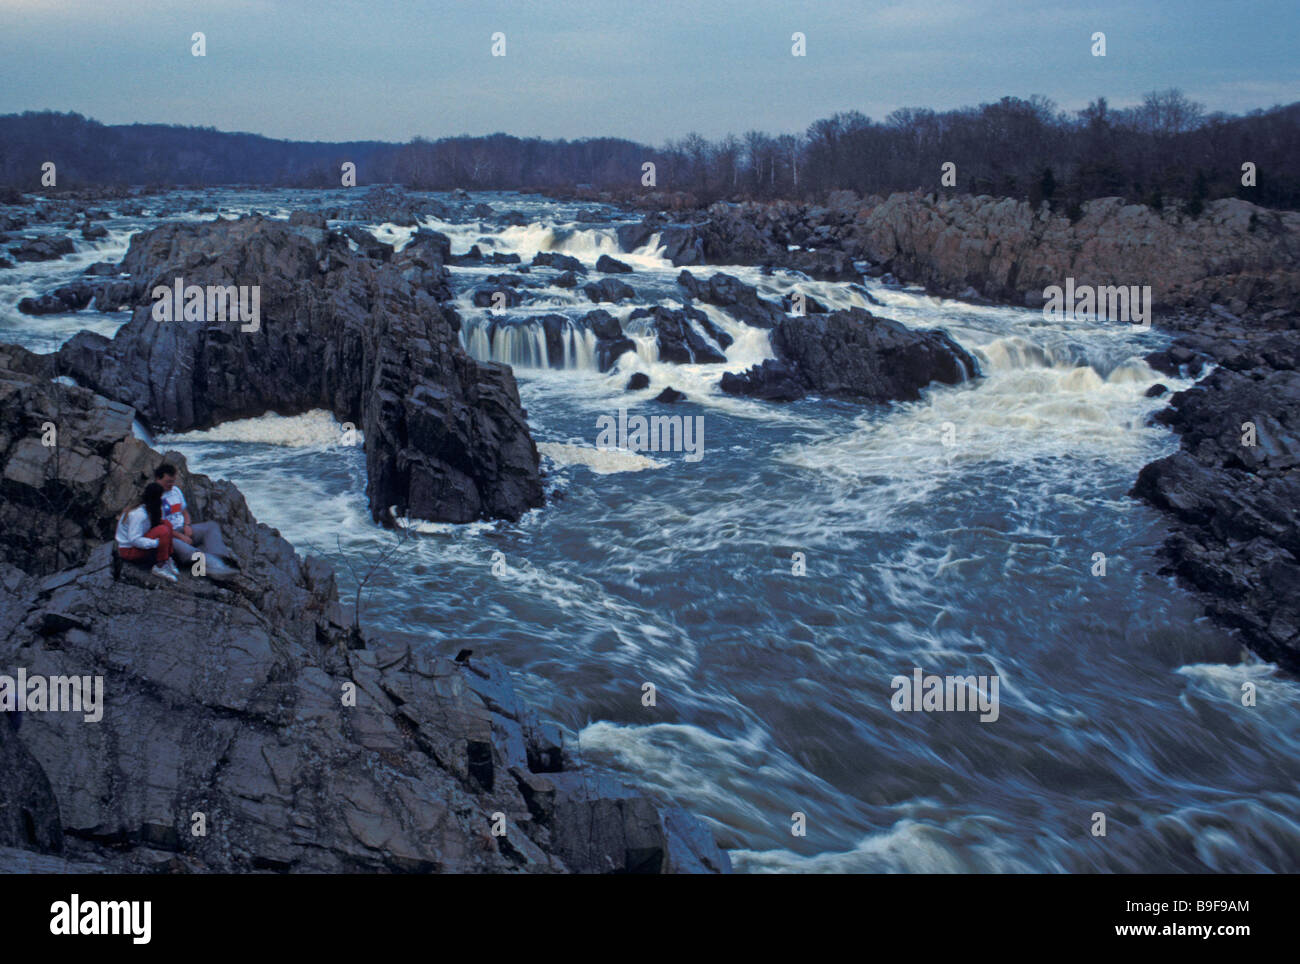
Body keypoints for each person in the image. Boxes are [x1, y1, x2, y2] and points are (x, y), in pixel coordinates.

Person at [153, 463, 238, 579]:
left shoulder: (175, 491)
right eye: (168, 482)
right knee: (189, 550)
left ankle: (219, 559)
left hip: (183, 528)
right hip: (169, 536)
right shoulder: (153, 495)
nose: (171, 485)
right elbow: (159, 527)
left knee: (211, 527)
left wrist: (187, 525)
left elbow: (184, 511)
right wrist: (181, 537)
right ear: (158, 479)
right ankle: (213, 567)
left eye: (173, 481)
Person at [115, 482, 178, 582]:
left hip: (135, 545)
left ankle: (167, 559)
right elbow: (134, 539)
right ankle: (159, 566)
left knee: (167, 524)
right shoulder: (139, 514)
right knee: (163, 530)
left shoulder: (146, 508)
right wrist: (157, 544)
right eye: (160, 498)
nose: (162, 500)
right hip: (128, 550)